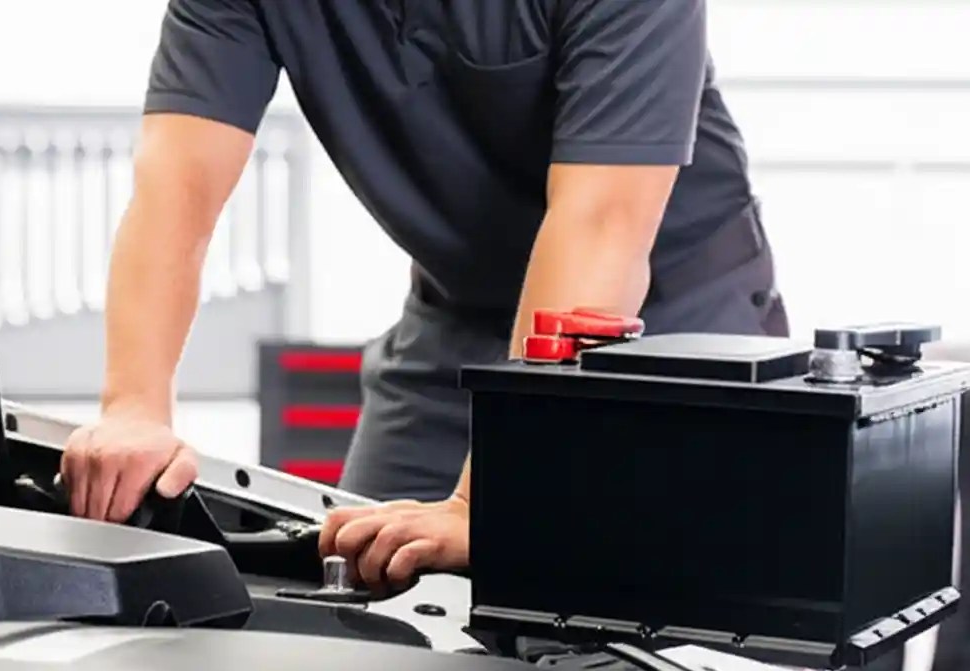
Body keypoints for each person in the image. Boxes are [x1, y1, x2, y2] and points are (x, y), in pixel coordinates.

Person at [60, 0, 788, 593]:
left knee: (646, 638)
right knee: (354, 595)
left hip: (674, 331)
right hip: (455, 321)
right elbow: (173, 195)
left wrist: (491, 499)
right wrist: (133, 409)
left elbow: (601, 226)